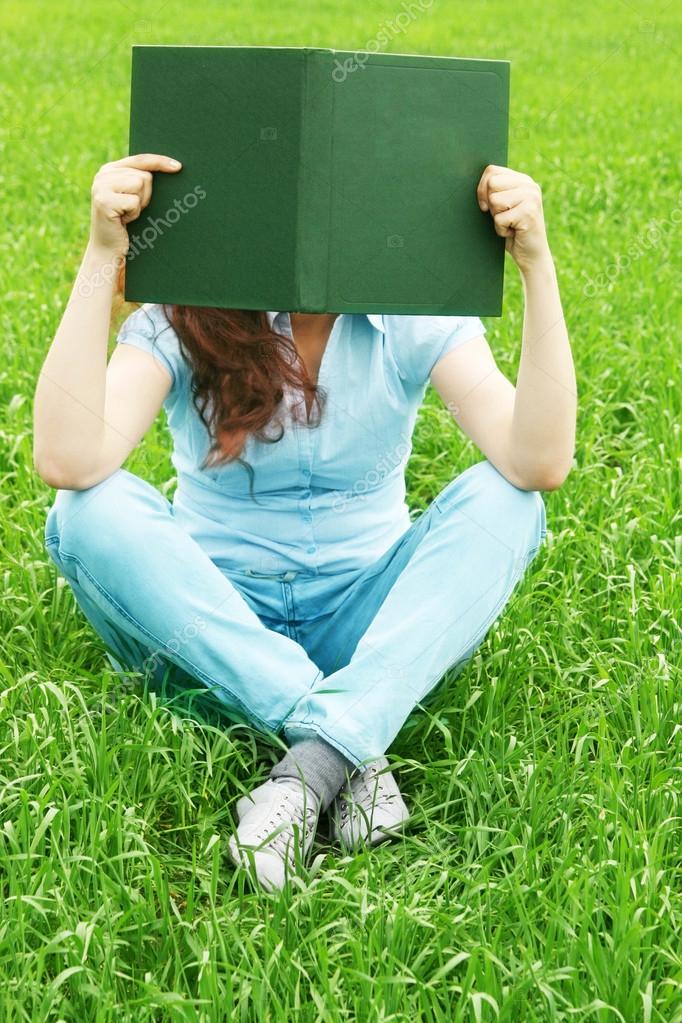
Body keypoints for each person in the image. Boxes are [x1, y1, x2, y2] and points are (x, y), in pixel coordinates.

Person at [33, 152, 576, 892]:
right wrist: (101, 256)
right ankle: (348, 737)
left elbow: (537, 460)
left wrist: (536, 267)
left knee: (508, 501)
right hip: (216, 623)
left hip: (366, 616)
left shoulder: (409, 311)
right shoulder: (190, 309)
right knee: (86, 510)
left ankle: (309, 766)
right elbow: (67, 457)